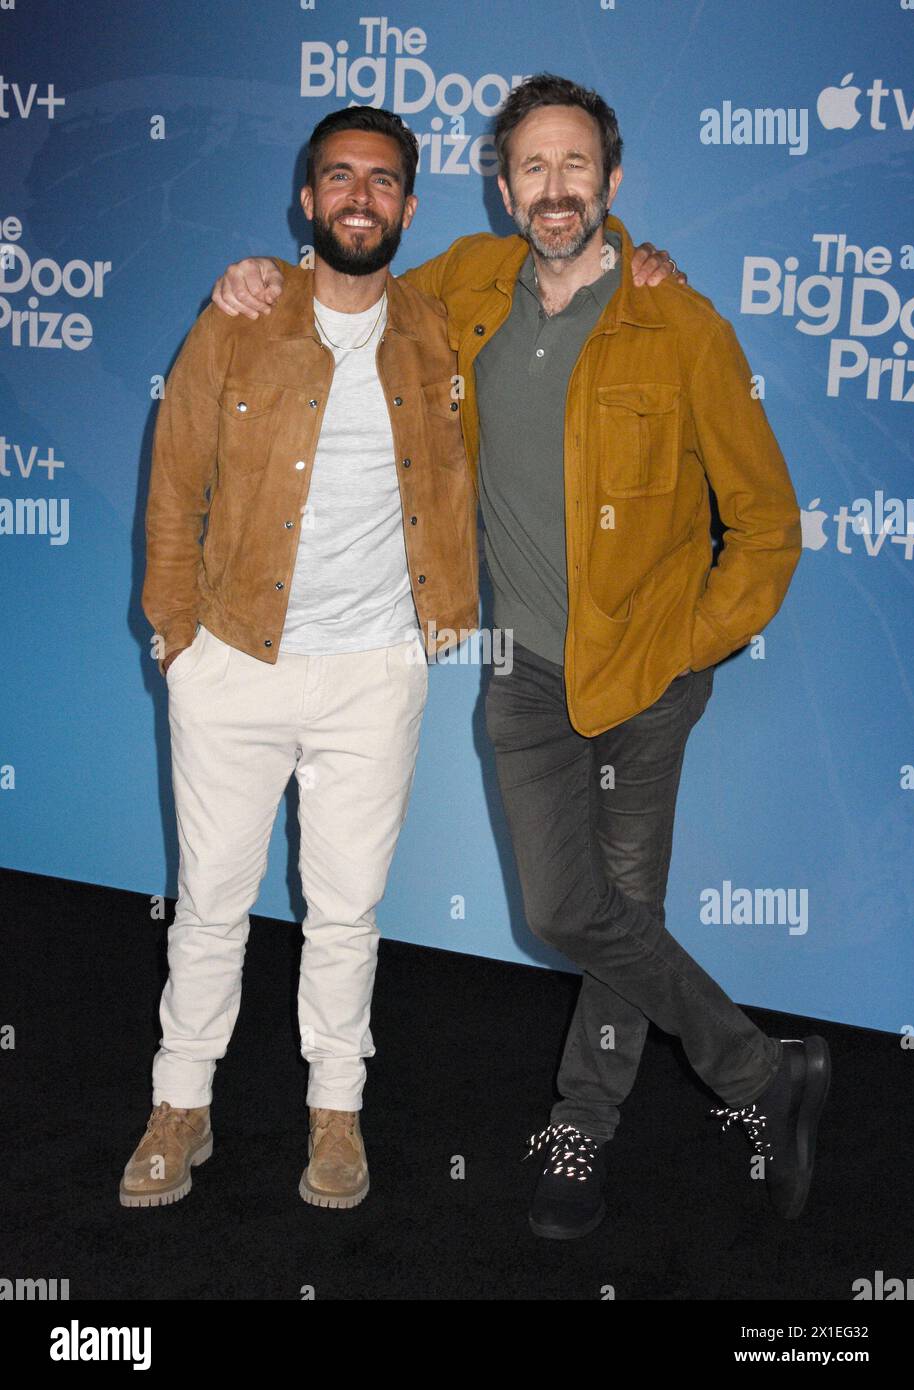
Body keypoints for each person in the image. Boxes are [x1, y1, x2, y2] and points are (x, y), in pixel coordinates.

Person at [212, 74, 829, 1243]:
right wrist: (263, 278)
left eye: (576, 165)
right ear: (503, 188)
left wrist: (680, 643)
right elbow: (356, 283)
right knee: (568, 908)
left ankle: (577, 1131)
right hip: (525, 673)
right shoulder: (469, 292)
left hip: (645, 682)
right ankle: (758, 1070)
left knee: (622, 905)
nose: (556, 189)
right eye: (532, 169)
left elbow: (766, 529)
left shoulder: (681, 324)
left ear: (612, 180)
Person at [125, 106, 484, 1211]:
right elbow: (176, 478)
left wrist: (637, 258)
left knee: (345, 912)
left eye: (381, 181)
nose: (360, 197)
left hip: (374, 671)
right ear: (306, 200)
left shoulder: (438, 330)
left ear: (409, 208)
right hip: (233, 660)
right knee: (211, 903)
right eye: (339, 178)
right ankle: (180, 1104)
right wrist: (176, 637)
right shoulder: (239, 318)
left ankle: (336, 1111)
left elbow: (558, 244)